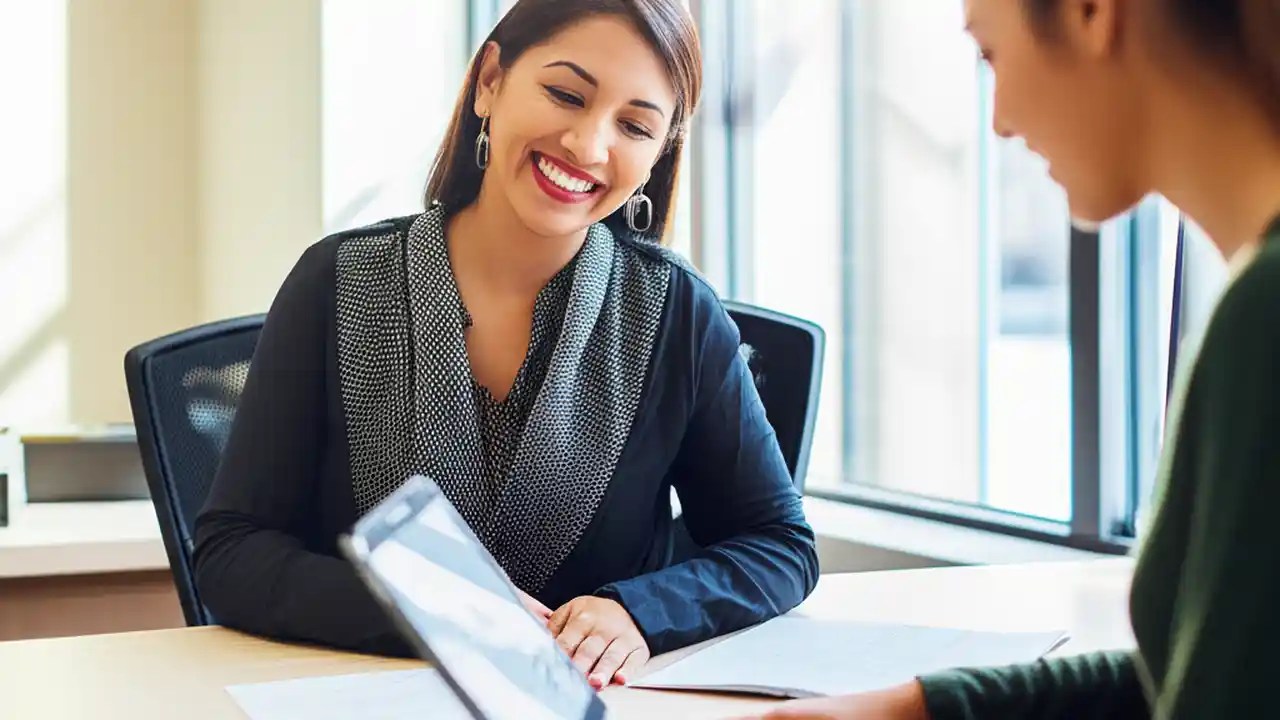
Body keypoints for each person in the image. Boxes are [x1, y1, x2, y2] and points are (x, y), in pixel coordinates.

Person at [193, 0, 819, 691]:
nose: (588, 145)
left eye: (635, 126)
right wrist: (429, 608)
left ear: (658, 154)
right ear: (490, 81)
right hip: (364, 695)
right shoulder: (337, 282)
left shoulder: (678, 313)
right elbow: (232, 554)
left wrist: (641, 612)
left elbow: (778, 546)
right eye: (566, 94)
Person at [736, 0, 1280, 718]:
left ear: (1092, 13)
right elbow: (1193, 672)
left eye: (989, 53)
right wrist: (916, 708)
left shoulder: (1262, 317)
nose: (1000, 121)